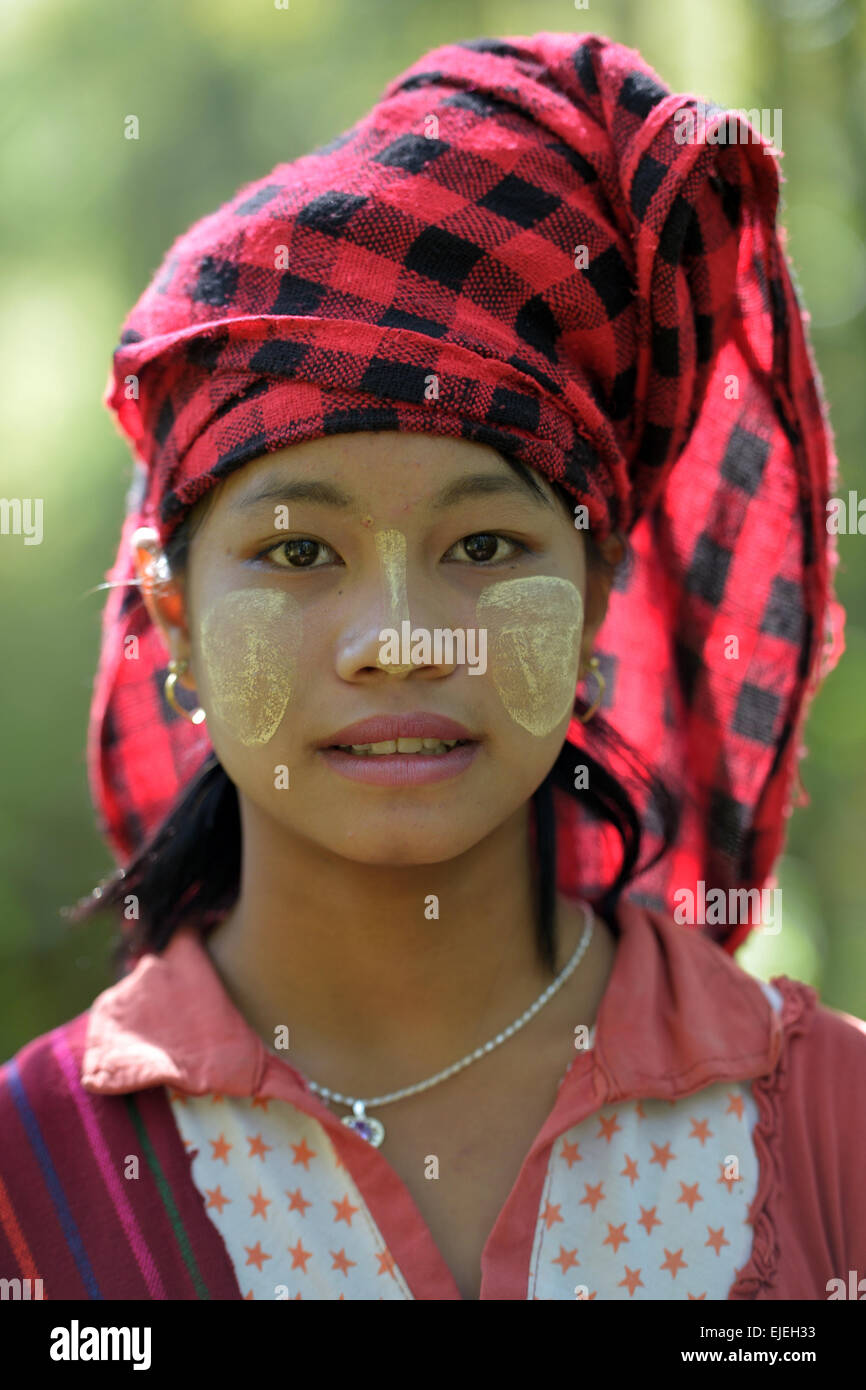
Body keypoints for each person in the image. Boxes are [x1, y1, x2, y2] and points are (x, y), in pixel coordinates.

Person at [1, 31, 863, 1303]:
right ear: (172, 617)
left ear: (590, 597)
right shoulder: (37, 1184)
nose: (399, 636)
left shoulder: (825, 1140)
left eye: (482, 542)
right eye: (298, 549)